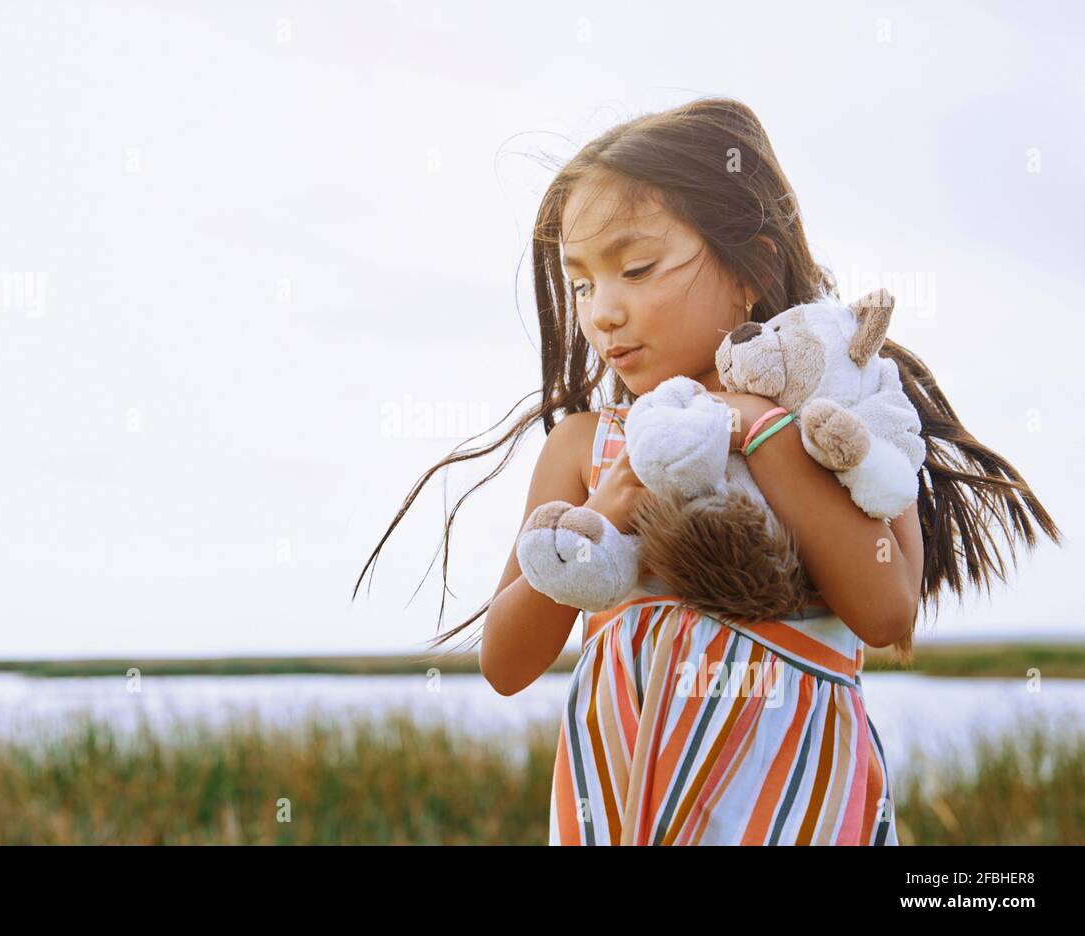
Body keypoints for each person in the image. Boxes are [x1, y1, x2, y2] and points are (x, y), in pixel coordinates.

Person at [353, 96, 1061, 845]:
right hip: (627, 810)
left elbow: (886, 615)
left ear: (749, 269)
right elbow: (505, 663)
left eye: (636, 268)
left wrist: (758, 428)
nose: (602, 314)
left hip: (800, 812)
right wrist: (616, 501)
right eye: (584, 284)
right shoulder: (586, 448)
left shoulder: (842, 432)